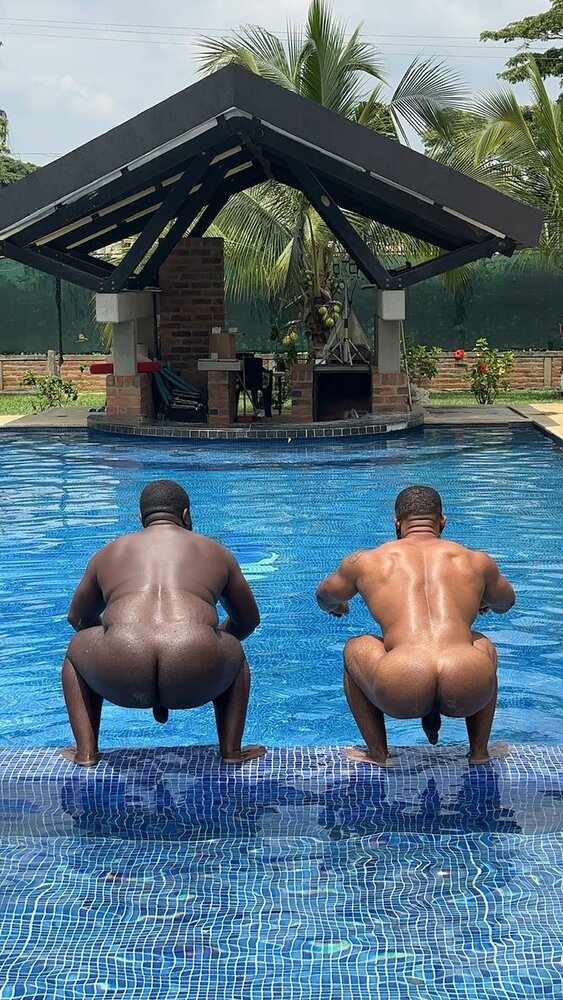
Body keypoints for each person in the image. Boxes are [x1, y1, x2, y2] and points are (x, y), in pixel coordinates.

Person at [61, 479, 266, 767]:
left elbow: (79, 618)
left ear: (141, 518)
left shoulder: (110, 552)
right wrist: (213, 640)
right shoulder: (216, 551)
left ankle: (86, 753)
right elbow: (248, 620)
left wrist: (109, 639)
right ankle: (231, 751)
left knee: (77, 649)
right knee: (233, 650)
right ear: (186, 516)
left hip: (121, 663)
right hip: (196, 664)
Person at [316, 485, 516, 766]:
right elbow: (506, 603)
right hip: (468, 681)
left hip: (400, 681)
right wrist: (484, 600)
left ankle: (378, 753)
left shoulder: (365, 561)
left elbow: (324, 596)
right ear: (442, 522)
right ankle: (479, 752)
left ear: (397, 523)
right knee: (482, 644)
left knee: (355, 648)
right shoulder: (476, 561)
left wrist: (337, 606)